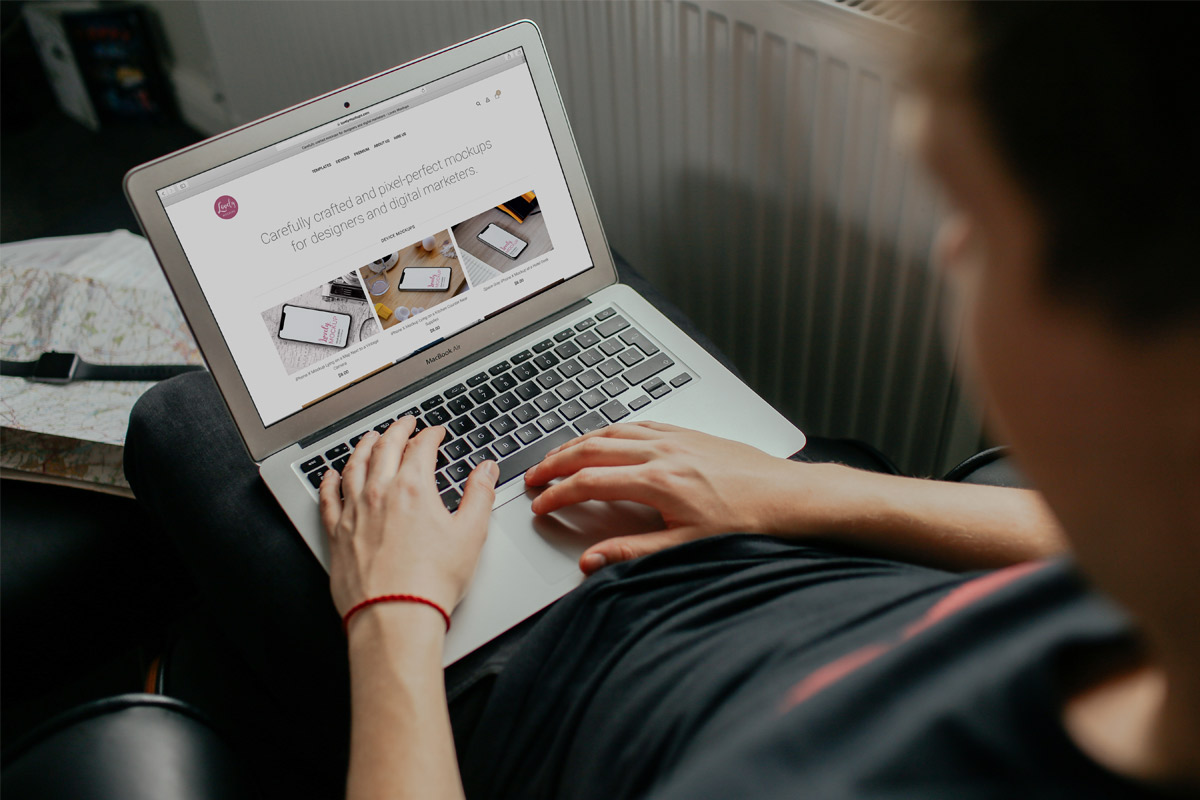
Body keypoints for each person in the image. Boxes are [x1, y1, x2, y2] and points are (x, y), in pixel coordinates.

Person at [125, 3, 1199, 798]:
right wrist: (800, 495)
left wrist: (391, 614)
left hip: (529, 672)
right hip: (780, 542)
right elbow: (1079, 540)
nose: (952, 248)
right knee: (572, 287)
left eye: (974, 216)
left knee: (183, 418)